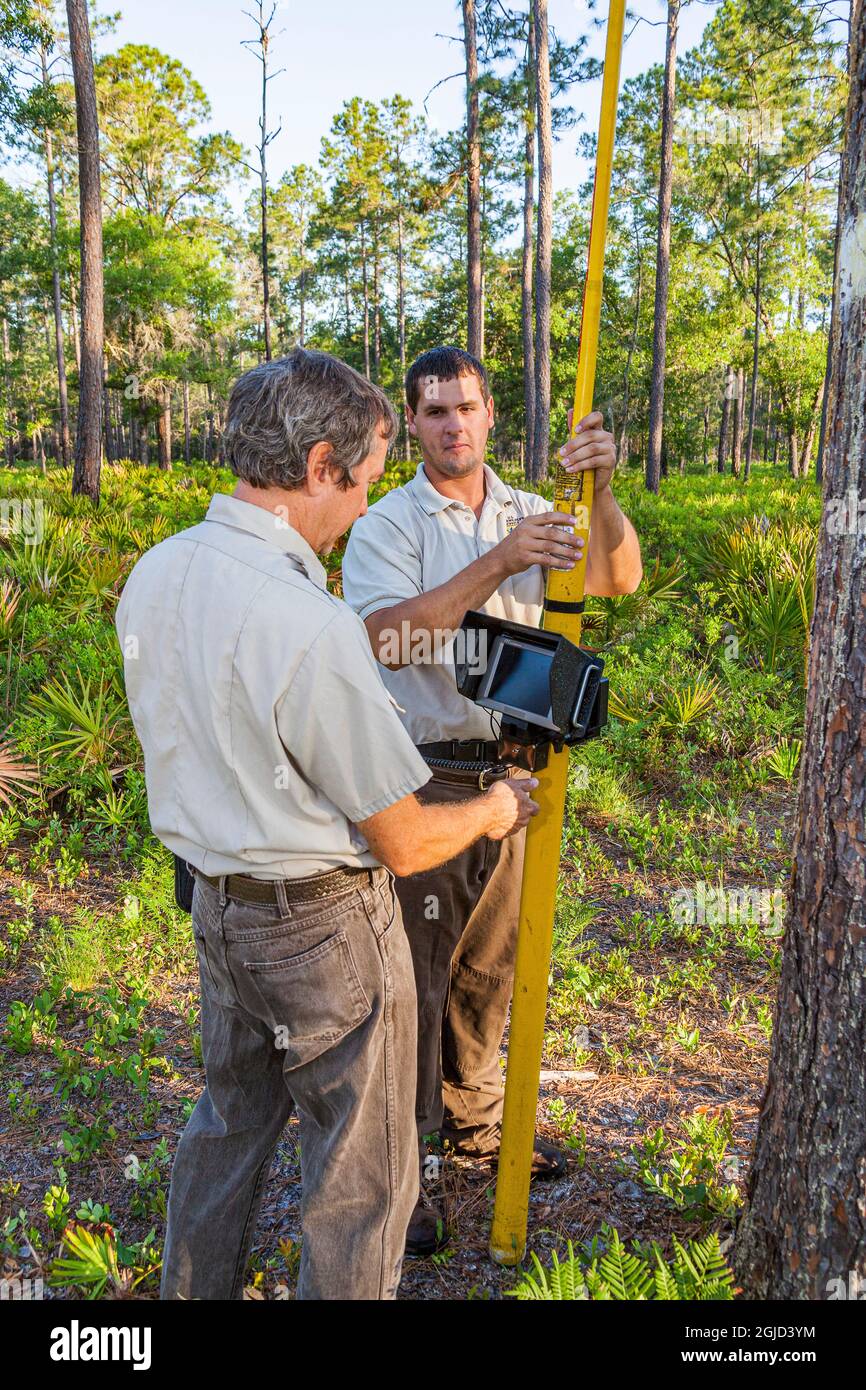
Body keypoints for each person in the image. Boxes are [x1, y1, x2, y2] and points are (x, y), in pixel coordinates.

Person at [115, 348, 538, 1301]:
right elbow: (403, 840)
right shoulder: (308, 622)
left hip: (217, 909)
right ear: (317, 467)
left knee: (227, 1127)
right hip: (323, 928)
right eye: (360, 485)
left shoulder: (157, 571)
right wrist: (494, 808)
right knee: (363, 1176)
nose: (360, 511)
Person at [342, 345, 643, 1255]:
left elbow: (616, 577)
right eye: (433, 412)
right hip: (425, 772)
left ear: (489, 414)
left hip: (520, 773)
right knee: (416, 982)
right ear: (414, 424)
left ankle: (475, 1128)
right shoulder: (390, 524)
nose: (453, 425)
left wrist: (600, 495)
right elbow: (385, 642)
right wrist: (501, 560)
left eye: (465, 408)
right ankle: (409, 1171)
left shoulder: (531, 509)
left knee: (486, 971)